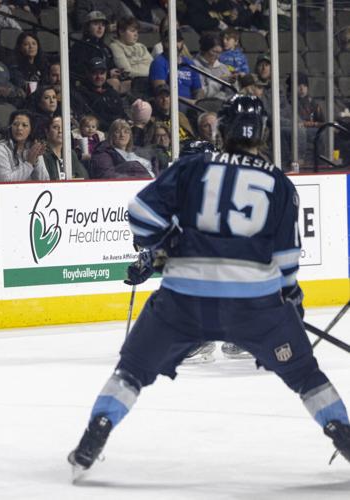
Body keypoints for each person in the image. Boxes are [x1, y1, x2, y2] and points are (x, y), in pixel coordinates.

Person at [68, 94, 350, 478]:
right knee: (305, 375)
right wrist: (290, 301)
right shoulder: (280, 184)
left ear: (223, 130)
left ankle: (95, 433)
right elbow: (286, 260)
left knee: (131, 370)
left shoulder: (193, 166)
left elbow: (139, 213)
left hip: (185, 297)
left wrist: (167, 242)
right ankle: (342, 433)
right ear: (263, 133)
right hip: (254, 305)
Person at [0, 110, 48, 182]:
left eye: (24, 125)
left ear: (31, 129)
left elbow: (44, 181)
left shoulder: (33, 148)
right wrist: (29, 163)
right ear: (10, 127)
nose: (19, 128)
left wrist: (36, 161)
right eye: (15, 124)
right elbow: (5, 182)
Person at [88, 119, 153, 179]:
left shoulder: (137, 151)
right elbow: (106, 176)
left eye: (126, 132)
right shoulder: (102, 153)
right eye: (118, 132)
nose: (122, 135)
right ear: (111, 135)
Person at [38, 116, 87, 180]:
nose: (60, 131)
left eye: (63, 127)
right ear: (47, 131)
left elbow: (83, 177)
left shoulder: (70, 153)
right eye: (55, 127)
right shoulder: (41, 153)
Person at [194, 33, 235, 102]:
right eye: (214, 52)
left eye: (220, 53)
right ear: (204, 49)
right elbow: (200, 95)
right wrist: (219, 81)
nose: (217, 56)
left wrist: (233, 82)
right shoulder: (195, 66)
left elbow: (231, 94)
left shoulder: (223, 67)